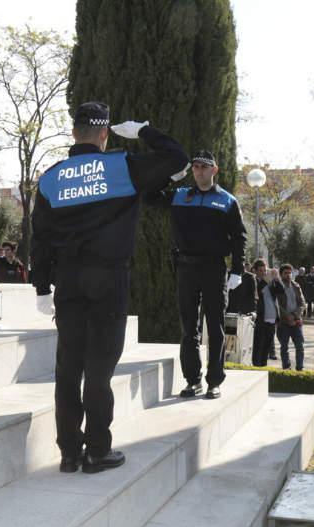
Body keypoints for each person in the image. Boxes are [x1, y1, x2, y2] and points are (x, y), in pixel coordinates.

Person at [30, 101, 189, 474]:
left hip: (68, 280)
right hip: (108, 279)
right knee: (99, 371)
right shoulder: (121, 167)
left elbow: (40, 239)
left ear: (74, 134)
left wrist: (40, 287)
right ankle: (97, 451)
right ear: (104, 134)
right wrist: (143, 130)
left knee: (68, 369)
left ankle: (69, 452)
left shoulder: (51, 177)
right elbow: (176, 157)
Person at [145, 150, 247, 400]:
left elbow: (239, 238)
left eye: (204, 167)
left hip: (214, 268)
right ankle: (193, 380)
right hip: (186, 268)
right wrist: (171, 177)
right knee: (188, 327)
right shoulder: (181, 196)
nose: (199, 171)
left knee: (215, 326)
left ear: (214, 170)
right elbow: (148, 195)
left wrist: (237, 269)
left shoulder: (227, 200)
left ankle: (215, 381)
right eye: (195, 167)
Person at [271, 263, 306, 370]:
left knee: (300, 346)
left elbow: (302, 303)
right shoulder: (276, 287)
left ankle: (300, 368)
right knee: (284, 348)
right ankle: (286, 368)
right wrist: (287, 316)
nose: (288, 275)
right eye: (286, 273)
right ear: (281, 275)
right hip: (283, 323)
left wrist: (294, 315)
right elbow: (276, 304)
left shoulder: (296, 286)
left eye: (290, 273)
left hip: (296, 322)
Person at [251, 259, 277, 367]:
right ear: (255, 271)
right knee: (258, 347)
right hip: (260, 320)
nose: (264, 273)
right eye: (261, 271)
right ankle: (257, 368)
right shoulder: (253, 282)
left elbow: (281, 291)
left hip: (271, 320)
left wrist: (275, 278)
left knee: (266, 347)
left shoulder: (270, 282)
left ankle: (263, 367)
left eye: (265, 271)